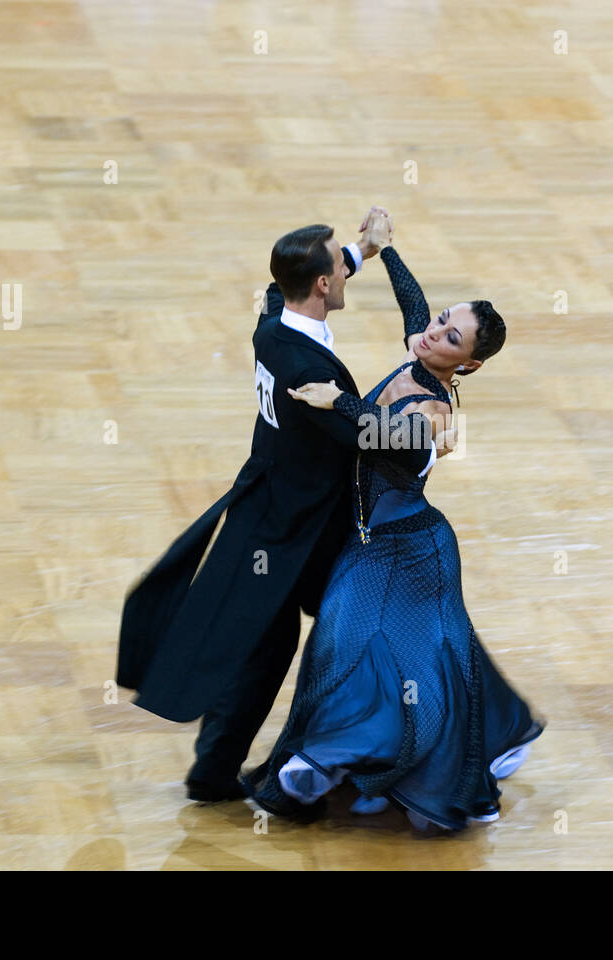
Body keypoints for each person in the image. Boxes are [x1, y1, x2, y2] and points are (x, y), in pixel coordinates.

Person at [241, 216, 543, 831]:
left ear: (469, 365)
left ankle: (321, 762)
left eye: (451, 338)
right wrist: (383, 248)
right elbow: (414, 304)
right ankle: (503, 729)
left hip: (407, 548)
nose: (432, 336)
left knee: (353, 646)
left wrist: (338, 401)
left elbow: (382, 435)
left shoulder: (432, 412)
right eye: (439, 324)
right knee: (427, 650)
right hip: (375, 540)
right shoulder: (423, 350)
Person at [116, 211, 387, 803]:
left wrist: (365, 251)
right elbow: (364, 436)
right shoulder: (308, 370)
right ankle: (332, 762)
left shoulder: (272, 319)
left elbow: (285, 286)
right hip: (297, 530)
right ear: (321, 286)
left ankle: (234, 769)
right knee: (312, 642)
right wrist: (423, 431)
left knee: (296, 642)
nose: (344, 271)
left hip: (268, 507)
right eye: (338, 264)